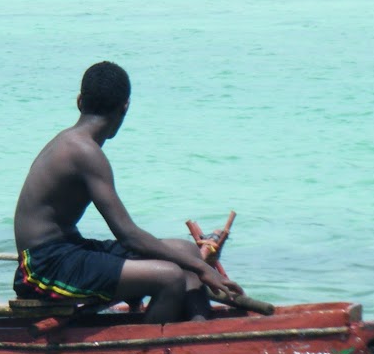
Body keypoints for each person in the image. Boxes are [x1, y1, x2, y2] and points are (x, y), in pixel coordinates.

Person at [13, 61, 242, 324]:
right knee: (170, 278)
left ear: (79, 102)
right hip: (44, 268)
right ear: (125, 107)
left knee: (187, 251)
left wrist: (197, 263)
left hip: (69, 250)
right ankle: (151, 346)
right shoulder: (84, 152)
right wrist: (203, 267)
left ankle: (198, 330)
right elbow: (128, 236)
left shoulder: (74, 142)